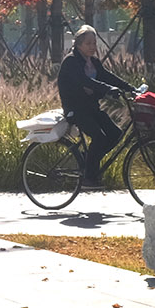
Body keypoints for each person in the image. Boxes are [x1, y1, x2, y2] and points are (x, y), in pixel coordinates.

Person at [57, 25, 134, 189]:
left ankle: (89, 159)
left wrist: (130, 88)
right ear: (78, 45)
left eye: (94, 43)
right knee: (98, 137)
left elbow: (108, 77)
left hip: (91, 108)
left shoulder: (94, 62)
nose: (93, 47)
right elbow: (84, 81)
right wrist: (107, 89)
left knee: (115, 134)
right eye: (88, 43)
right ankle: (88, 179)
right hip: (75, 109)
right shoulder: (71, 61)